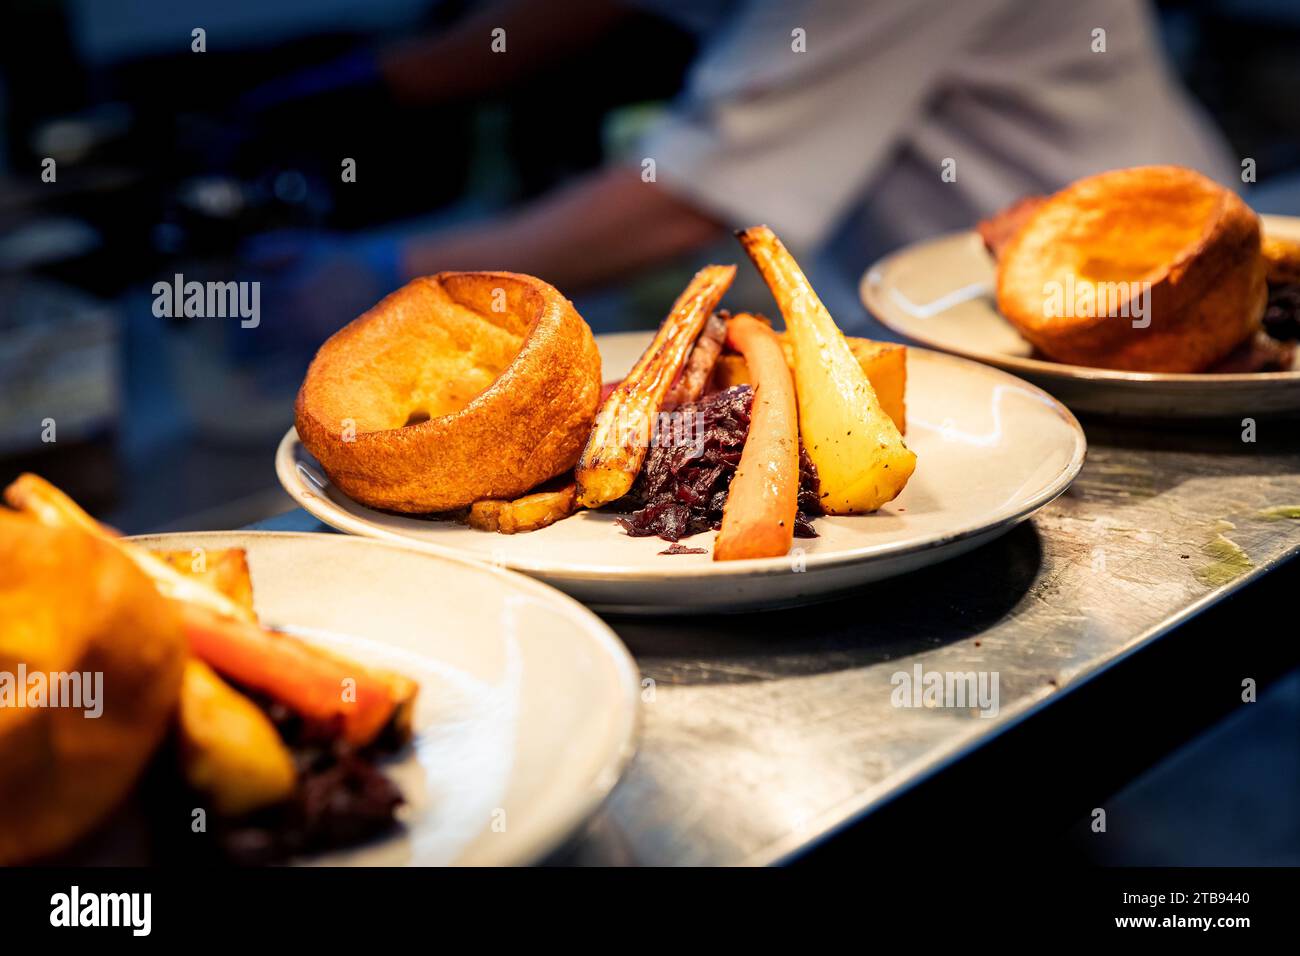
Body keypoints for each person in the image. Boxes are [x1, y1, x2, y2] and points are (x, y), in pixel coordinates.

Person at [247, 0, 1239, 336]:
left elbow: (686, 200)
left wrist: (387, 275)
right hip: (934, 288)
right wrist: (374, 83)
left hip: (1131, 278)